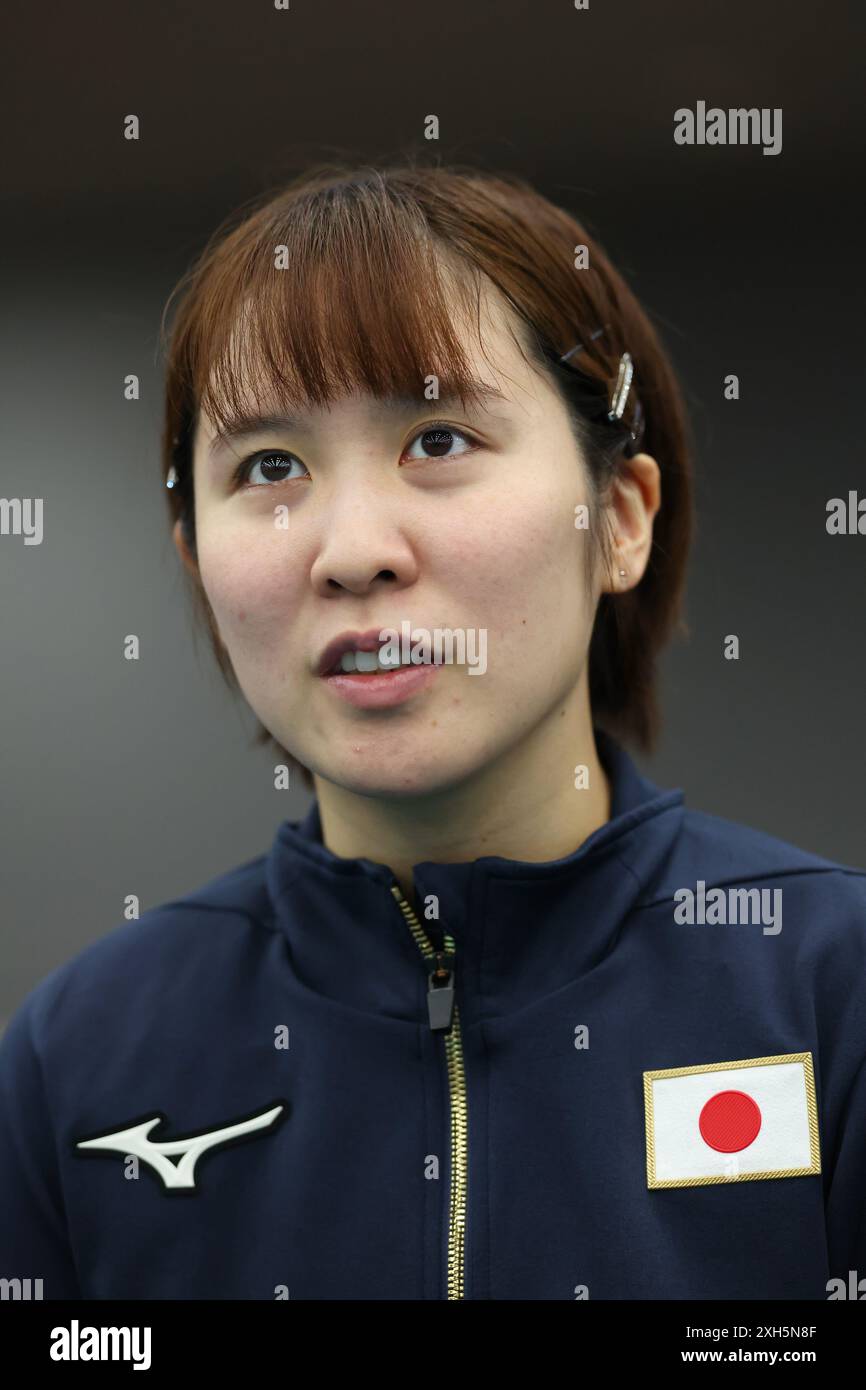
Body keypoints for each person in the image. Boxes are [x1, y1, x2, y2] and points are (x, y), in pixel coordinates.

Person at [1, 160, 864, 1301]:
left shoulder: (832, 989)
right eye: (270, 467)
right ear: (195, 564)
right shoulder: (78, 1057)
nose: (353, 547)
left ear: (616, 519)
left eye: (439, 439)